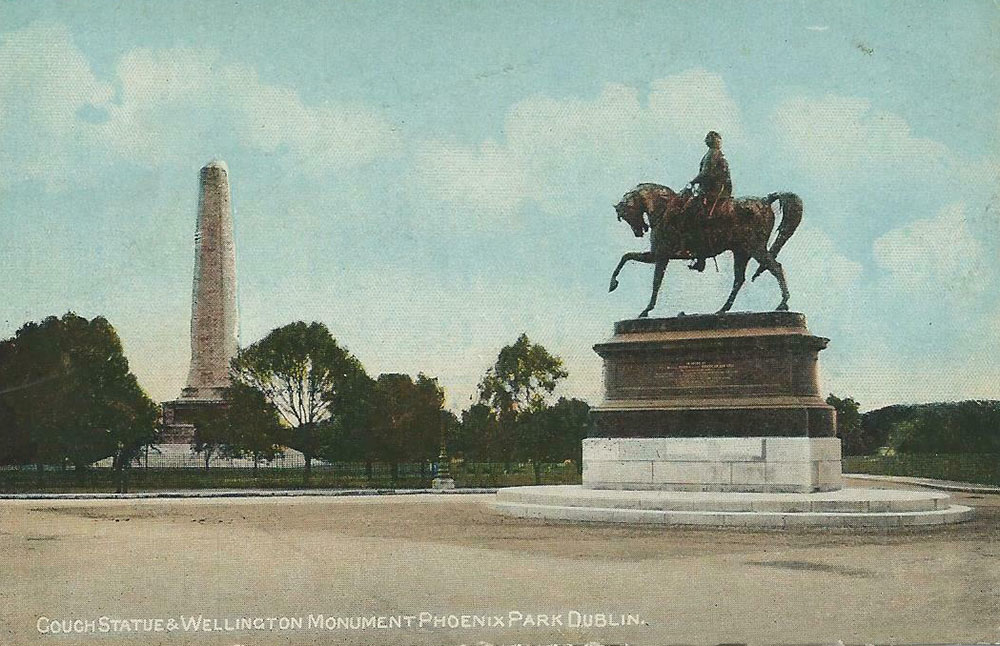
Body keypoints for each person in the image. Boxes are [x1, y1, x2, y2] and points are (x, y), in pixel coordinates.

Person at [684, 131, 732, 271]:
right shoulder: (716, 153)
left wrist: (692, 182)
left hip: (713, 192)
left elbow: (706, 174)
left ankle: (699, 255)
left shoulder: (713, 153)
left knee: (690, 212)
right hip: (717, 190)